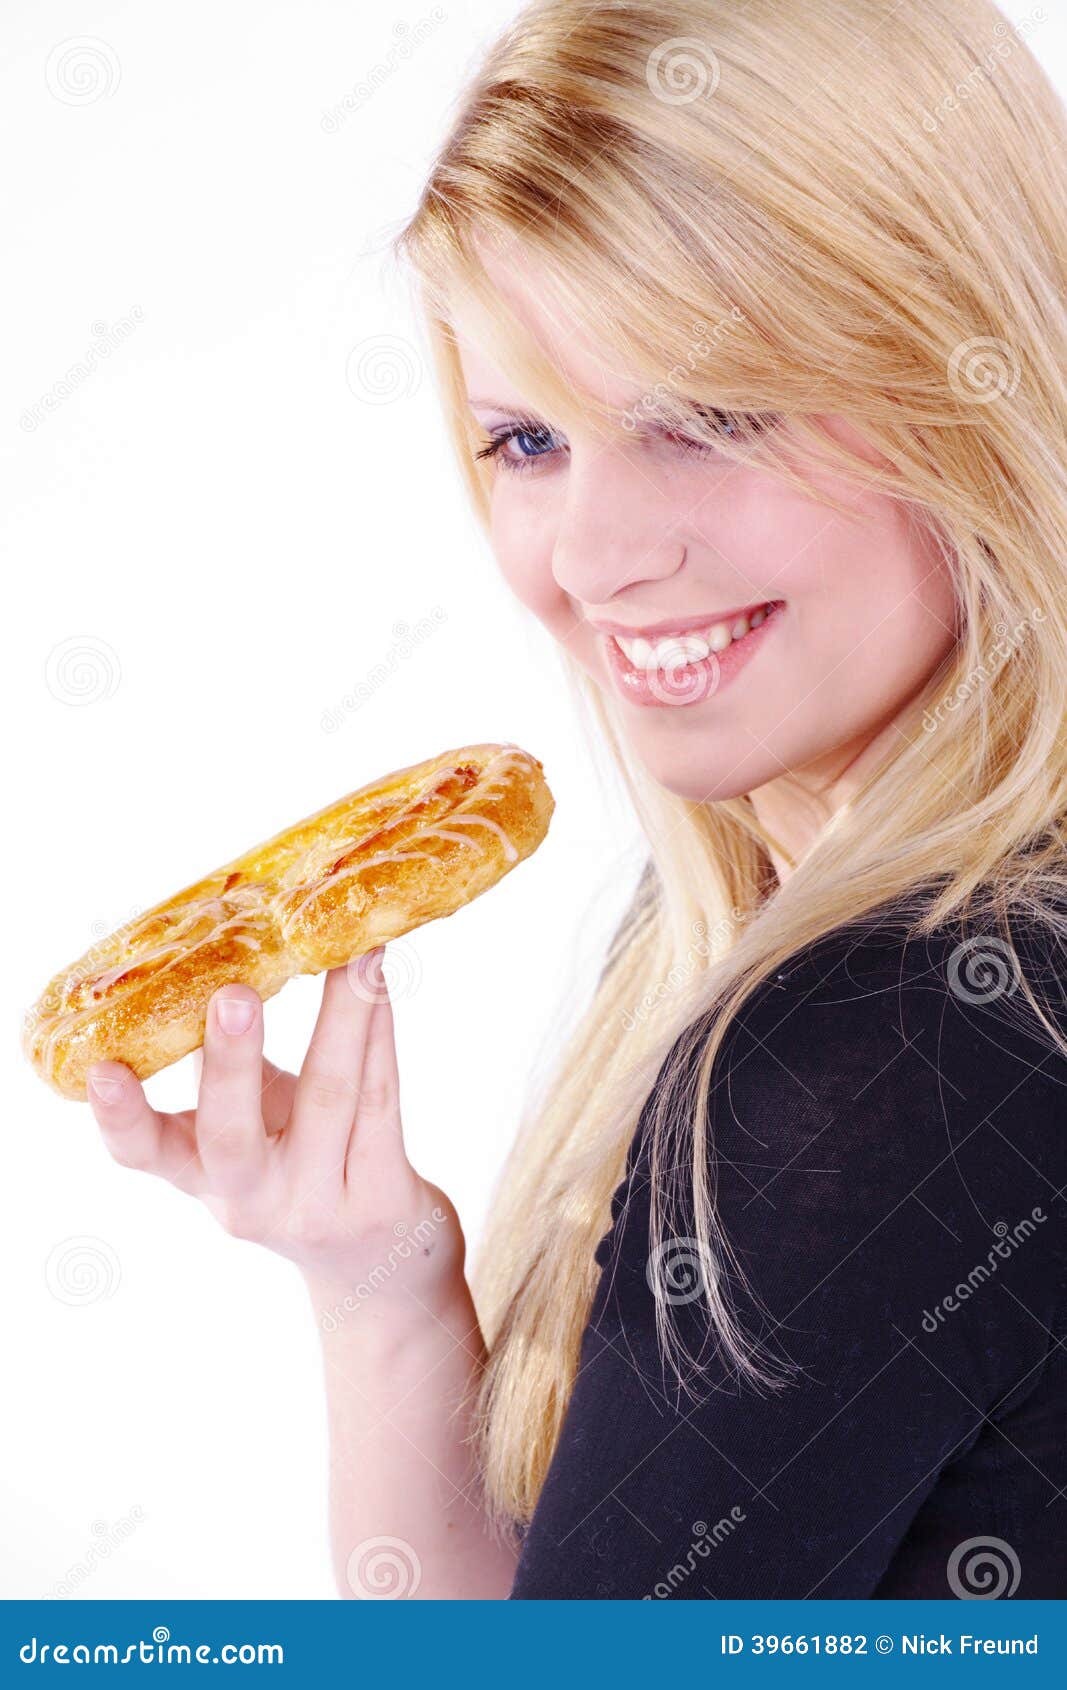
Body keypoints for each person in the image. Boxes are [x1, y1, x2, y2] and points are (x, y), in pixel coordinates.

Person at [86, 0, 1067, 1598]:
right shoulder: (751, 920)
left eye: (712, 416)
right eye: (529, 439)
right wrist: (384, 1297)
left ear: (973, 375)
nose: (596, 558)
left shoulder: (889, 1037)